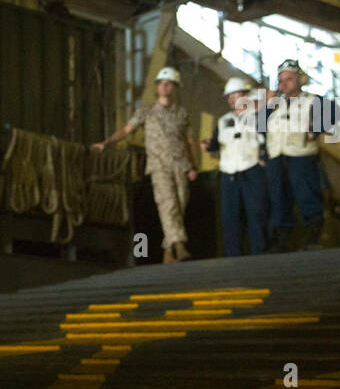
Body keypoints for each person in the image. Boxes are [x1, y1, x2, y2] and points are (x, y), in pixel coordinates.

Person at [95, 66, 199, 262]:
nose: (164, 87)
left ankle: (168, 252)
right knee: (168, 205)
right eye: (161, 83)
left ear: (175, 87)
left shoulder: (182, 114)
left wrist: (193, 166)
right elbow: (127, 130)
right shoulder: (146, 112)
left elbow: (190, 141)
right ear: (157, 87)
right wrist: (107, 142)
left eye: (169, 84)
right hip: (159, 166)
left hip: (181, 165)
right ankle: (179, 245)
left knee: (180, 205)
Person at [261, 59, 336, 251]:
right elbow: (259, 127)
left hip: (301, 155)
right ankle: (283, 239)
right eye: (280, 80)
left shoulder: (312, 99)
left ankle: (314, 236)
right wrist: (267, 105)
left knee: (306, 194)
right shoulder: (273, 105)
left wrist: (315, 131)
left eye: (289, 79)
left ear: (299, 80)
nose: (283, 84)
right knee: (279, 198)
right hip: (277, 156)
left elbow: (332, 114)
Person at [205, 78, 268, 257]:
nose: (232, 99)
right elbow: (216, 143)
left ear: (246, 95)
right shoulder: (224, 121)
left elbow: (269, 142)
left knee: (256, 214)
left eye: (236, 94)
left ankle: (260, 255)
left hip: (252, 171)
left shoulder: (258, 117)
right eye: (229, 96)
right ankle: (233, 258)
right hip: (229, 174)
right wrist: (209, 145)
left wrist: (264, 159)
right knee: (230, 218)